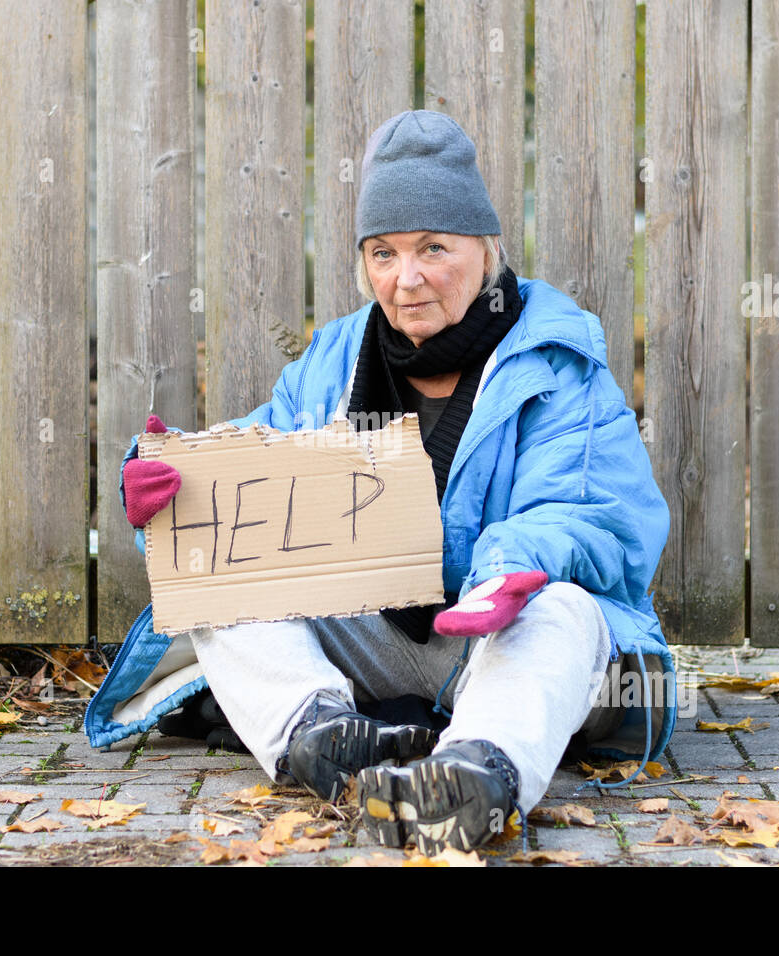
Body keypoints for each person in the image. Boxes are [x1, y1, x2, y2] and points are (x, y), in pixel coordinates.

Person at [86, 110, 675, 855]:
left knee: (560, 609)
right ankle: (324, 738)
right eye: (384, 252)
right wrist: (166, 482)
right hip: (378, 642)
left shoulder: (558, 365)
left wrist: (508, 568)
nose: (408, 277)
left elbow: (596, 514)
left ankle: (476, 775)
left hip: (506, 641)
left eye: (435, 247)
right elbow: (256, 478)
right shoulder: (334, 359)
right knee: (223, 573)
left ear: (486, 248)